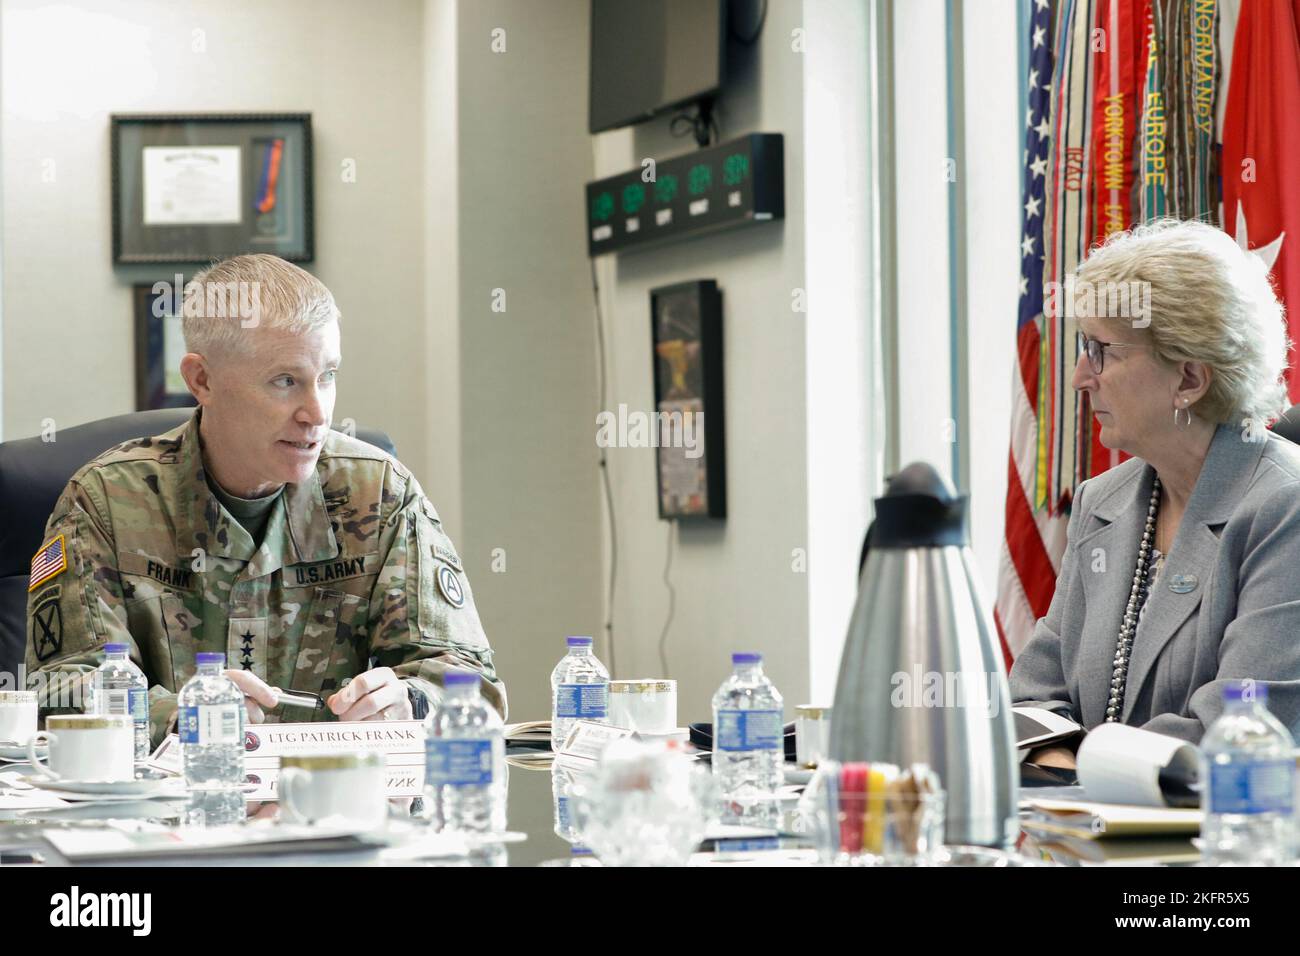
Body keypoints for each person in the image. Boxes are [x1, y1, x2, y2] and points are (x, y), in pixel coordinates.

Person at [26, 254, 505, 748]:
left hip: (338, 803)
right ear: (202, 381)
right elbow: (57, 689)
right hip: (171, 806)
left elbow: (471, 682)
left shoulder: (379, 494)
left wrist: (412, 701)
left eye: (329, 376)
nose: (316, 413)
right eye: (285, 381)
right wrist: (181, 715)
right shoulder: (106, 500)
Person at [1009, 219, 1300, 768]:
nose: (1078, 376)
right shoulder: (1103, 502)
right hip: (1091, 833)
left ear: (1189, 379)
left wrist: (1078, 763)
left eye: (1101, 352)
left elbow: (1238, 738)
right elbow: (1031, 696)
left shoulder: (1285, 507)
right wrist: (1082, 771)